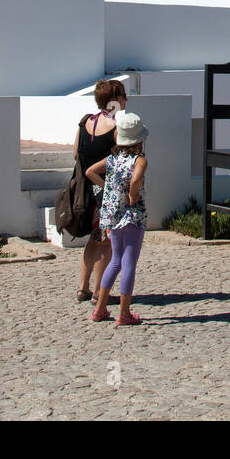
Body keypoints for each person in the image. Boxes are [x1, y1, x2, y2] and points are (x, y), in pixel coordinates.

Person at [87, 110, 149, 326]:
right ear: (139, 139)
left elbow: (90, 172)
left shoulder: (112, 159)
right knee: (129, 261)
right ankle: (124, 312)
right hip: (132, 215)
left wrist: (109, 189)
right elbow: (137, 178)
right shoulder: (139, 160)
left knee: (115, 260)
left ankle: (100, 308)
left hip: (113, 214)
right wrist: (132, 193)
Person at [72, 78, 126, 302]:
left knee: (92, 242)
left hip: (85, 190)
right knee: (106, 243)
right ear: (115, 100)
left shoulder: (85, 122)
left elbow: (76, 154)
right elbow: (120, 160)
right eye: (123, 96)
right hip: (105, 191)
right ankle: (98, 292)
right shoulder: (115, 127)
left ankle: (82, 288)